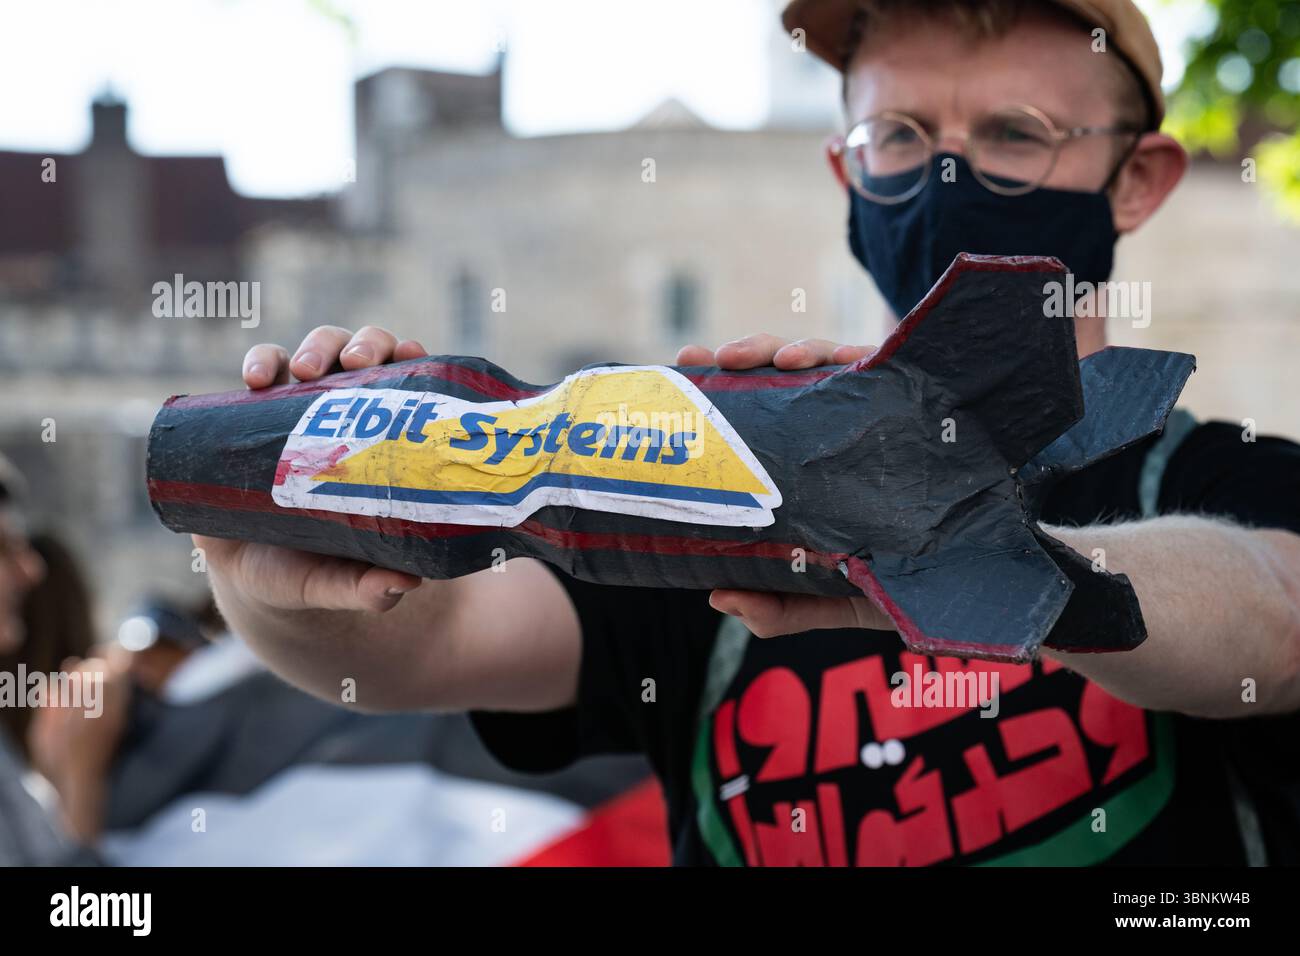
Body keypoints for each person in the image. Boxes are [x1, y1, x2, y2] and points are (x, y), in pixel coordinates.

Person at [207, 0, 1300, 865]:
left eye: (1014, 134)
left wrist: (1004, 566)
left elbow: (1272, 610)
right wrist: (269, 572)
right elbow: (430, 643)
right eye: (898, 134)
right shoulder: (722, 479)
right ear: (844, 172)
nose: (946, 176)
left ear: (1138, 178)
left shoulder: (1223, 475)